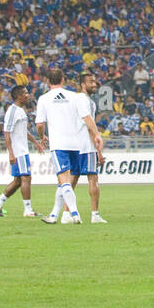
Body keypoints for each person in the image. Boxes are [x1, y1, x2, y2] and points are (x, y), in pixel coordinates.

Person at [35, 68, 102, 226]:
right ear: (63, 80)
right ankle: (54, 215)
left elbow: (39, 124)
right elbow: (87, 117)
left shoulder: (44, 99)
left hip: (59, 144)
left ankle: (74, 213)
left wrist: (41, 137)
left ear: (48, 81)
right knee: (65, 181)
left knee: (64, 180)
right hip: (76, 144)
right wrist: (97, 134)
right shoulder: (74, 96)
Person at [0, 85, 41, 217]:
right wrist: (11, 153)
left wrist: (35, 142)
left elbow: (23, 131)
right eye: (25, 93)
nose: (28, 95)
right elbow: (6, 132)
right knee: (26, 178)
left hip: (21, 150)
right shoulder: (12, 111)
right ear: (19, 96)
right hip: (19, 152)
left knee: (18, 181)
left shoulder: (20, 110)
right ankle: (28, 210)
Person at [62, 72, 106, 223]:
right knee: (93, 178)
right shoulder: (84, 100)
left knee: (73, 179)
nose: (94, 84)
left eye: (95, 81)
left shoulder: (75, 99)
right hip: (86, 145)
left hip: (74, 145)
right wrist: (98, 146)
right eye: (91, 82)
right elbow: (88, 122)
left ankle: (66, 214)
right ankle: (95, 215)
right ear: (83, 84)